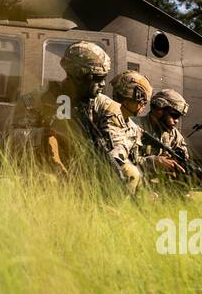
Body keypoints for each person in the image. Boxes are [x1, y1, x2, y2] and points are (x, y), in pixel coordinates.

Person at [15, 41, 139, 188]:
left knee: (130, 172)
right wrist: (44, 136)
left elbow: (119, 142)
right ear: (78, 75)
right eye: (97, 78)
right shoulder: (36, 100)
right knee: (48, 181)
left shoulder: (105, 106)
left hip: (92, 166)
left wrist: (109, 159)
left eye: (104, 77)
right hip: (48, 166)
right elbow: (14, 137)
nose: (103, 84)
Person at [141, 88, 202, 184]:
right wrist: (154, 162)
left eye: (179, 117)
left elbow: (184, 162)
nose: (176, 121)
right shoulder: (134, 126)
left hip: (159, 184)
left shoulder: (175, 136)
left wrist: (199, 174)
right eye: (174, 115)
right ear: (159, 109)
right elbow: (120, 162)